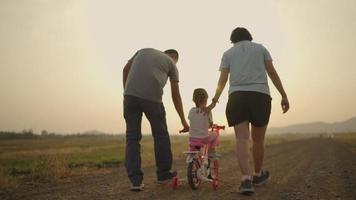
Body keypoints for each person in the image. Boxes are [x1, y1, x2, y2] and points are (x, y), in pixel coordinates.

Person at [206, 27, 290, 194]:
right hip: (260, 96)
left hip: (237, 97)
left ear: (233, 40)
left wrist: (214, 100)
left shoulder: (228, 53)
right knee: (258, 140)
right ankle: (257, 175)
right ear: (249, 37)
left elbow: (222, 79)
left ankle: (246, 180)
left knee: (242, 139)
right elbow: (272, 72)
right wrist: (283, 95)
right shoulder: (261, 48)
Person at [123, 48, 189, 192]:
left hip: (130, 96)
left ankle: (135, 181)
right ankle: (163, 174)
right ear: (174, 57)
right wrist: (183, 120)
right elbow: (175, 95)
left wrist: (126, 92)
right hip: (152, 99)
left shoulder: (143, 50)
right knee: (161, 136)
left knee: (132, 138)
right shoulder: (172, 63)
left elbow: (125, 69)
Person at [188, 88, 219, 159]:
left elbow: (192, 120)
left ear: (193, 100)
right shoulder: (207, 111)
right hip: (203, 139)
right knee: (215, 134)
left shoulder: (191, 111)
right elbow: (210, 124)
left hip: (192, 139)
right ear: (205, 100)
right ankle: (211, 151)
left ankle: (192, 155)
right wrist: (210, 124)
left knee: (193, 148)